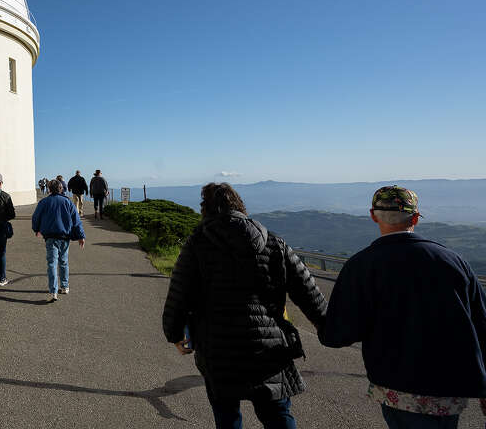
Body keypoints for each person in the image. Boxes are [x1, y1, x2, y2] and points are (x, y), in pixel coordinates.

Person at [318, 186, 486, 429]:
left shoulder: (361, 265)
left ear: (373, 216)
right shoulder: (453, 261)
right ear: (415, 218)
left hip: (397, 387)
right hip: (450, 388)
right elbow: (481, 324)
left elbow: (338, 334)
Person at [162, 182, 327, 429]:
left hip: (218, 349)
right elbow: (309, 292)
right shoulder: (273, 242)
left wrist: (174, 334)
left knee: (227, 416)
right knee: (277, 415)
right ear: (241, 206)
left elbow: (178, 294)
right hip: (269, 348)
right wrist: (328, 327)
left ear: (205, 209)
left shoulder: (196, 244)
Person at [31, 179, 86, 302]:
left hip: (50, 237)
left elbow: (36, 217)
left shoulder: (44, 202)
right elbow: (76, 220)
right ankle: (64, 286)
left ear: (49, 189)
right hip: (64, 237)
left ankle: (53, 291)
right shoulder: (67, 202)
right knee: (63, 261)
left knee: (52, 263)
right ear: (61, 189)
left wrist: (37, 229)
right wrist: (81, 236)